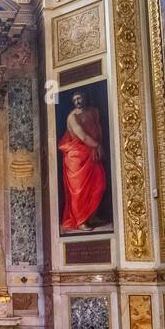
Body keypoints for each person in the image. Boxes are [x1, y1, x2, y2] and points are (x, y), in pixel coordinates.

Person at [58, 90, 107, 231]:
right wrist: (97, 146)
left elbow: (97, 129)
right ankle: (81, 221)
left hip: (91, 152)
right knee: (79, 191)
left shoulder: (93, 111)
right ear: (73, 102)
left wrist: (96, 146)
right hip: (77, 157)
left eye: (80, 98)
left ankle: (91, 215)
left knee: (98, 186)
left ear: (85, 98)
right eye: (75, 99)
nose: (78, 101)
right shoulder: (72, 117)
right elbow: (83, 136)